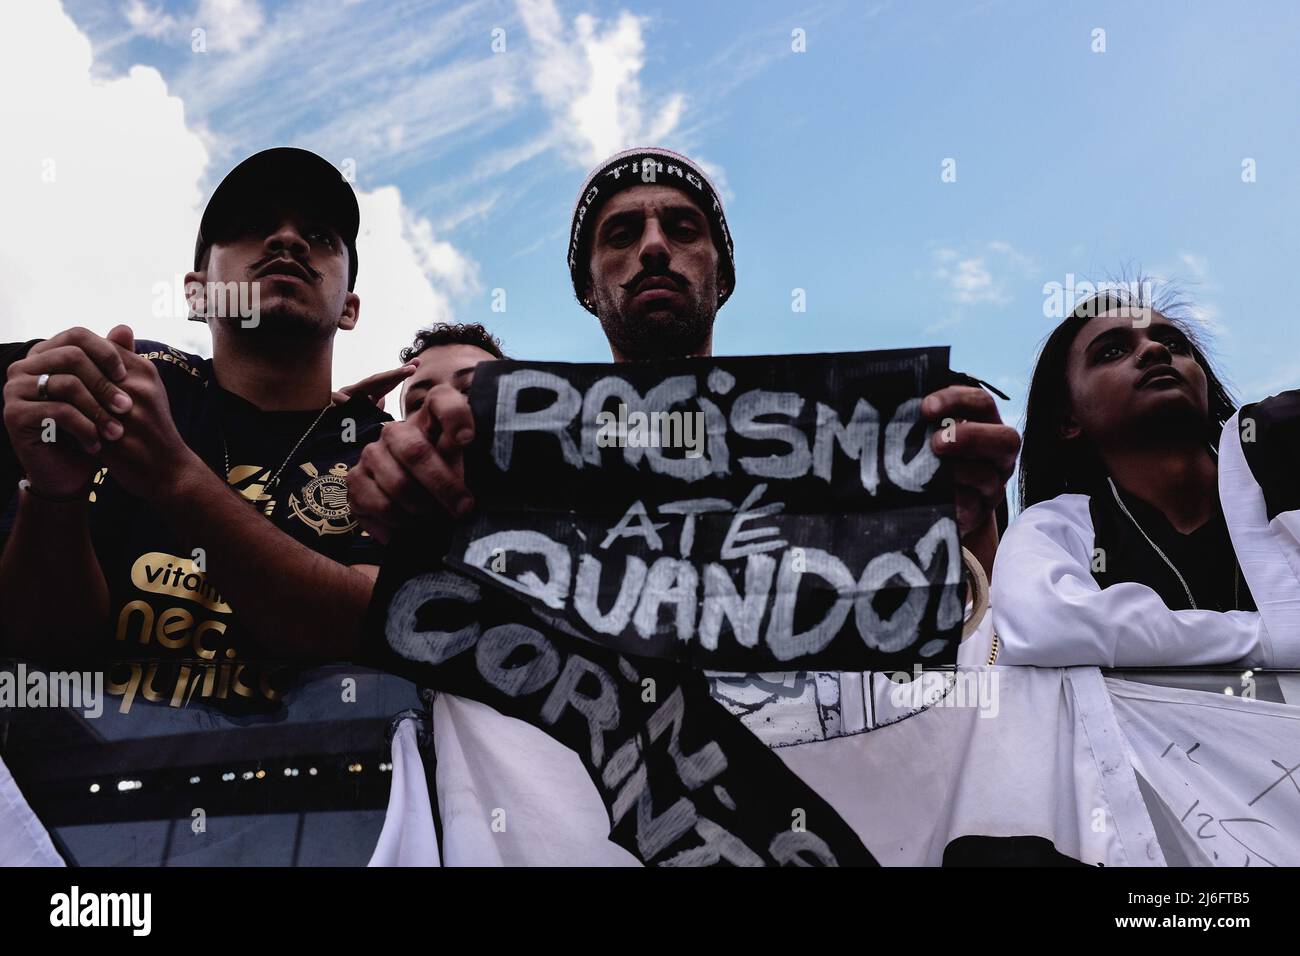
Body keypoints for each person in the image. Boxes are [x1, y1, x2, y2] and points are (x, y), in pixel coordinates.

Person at [348, 147, 1021, 865]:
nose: (655, 247)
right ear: (588, 285)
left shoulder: (852, 455)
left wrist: (975, 522)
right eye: (621, 234)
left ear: (721, 273)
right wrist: (388, 494)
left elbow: (977, 655)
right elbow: (372, 613)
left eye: (682, 227)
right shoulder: (493, 477)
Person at [0, 147, 397, 715]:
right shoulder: (122, 389)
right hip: (78, 787)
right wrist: (52, 493)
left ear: (350, 308)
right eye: (252, 228)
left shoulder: (380, 447)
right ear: (195, 294)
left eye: (320, 236)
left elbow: (373, 630)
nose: (288, 241)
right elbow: (37, 650)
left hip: (305, 795)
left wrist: (175, 478)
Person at [990, 286, 1300, 667]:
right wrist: (1273, 637)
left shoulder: (1282, 439)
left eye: (1174, 343)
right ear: (1069, 420)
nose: (1155, 350)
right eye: (1112, 351)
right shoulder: (1059, 527)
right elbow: (1042, 626)